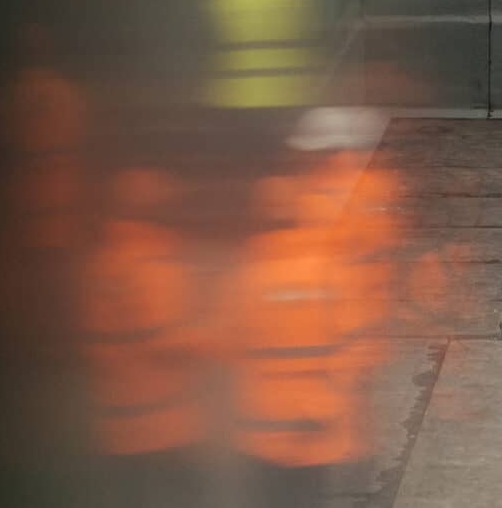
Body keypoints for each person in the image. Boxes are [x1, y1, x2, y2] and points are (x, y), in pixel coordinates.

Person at [227, 176, 369, 508]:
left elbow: (227, 344)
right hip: (315, 420)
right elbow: (353, 341)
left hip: (261, 423)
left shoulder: (245, 273)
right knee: (308, 496)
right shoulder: (328, 270)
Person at [80, 169, 204, 508]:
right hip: (162, 427)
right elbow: (166, 339)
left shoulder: (102, 261)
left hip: (115, 420)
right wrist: (222, 336)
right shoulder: (151, 262)